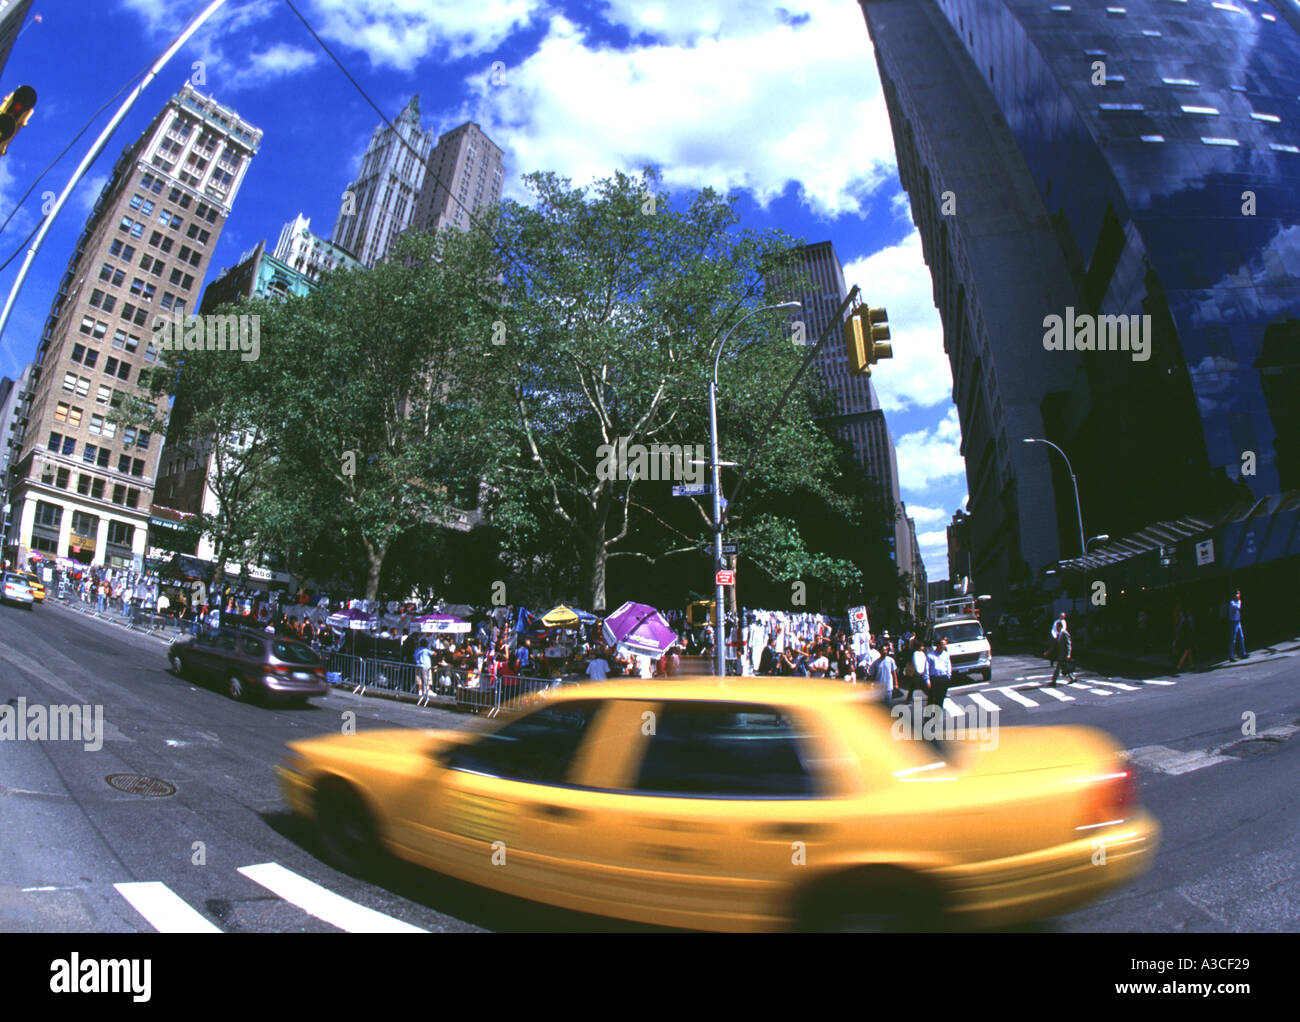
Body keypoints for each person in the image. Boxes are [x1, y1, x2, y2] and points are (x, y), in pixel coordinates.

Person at [926, 637, 953, 709]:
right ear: (937, 645)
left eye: (944, 644)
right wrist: (927, 680)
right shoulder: (930, 655)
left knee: (941, 697)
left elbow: (948, 666)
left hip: (943, 678)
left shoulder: (946, 654)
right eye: (941, 644)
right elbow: (926, 669)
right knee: (932, 698)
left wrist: (948, 676)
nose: (943, 646)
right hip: (934, 678)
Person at [1228, 590, 1247, 661]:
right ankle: (1231, 656)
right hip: (1233, 622)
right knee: (1233, 639)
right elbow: (1237, 607)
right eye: (1238, 594)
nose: (1239, 596)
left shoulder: (1237, 601)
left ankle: (1243, 653)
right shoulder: (1232, 602)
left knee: (1241, 637)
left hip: (1238, 621)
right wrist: (1239, 601)